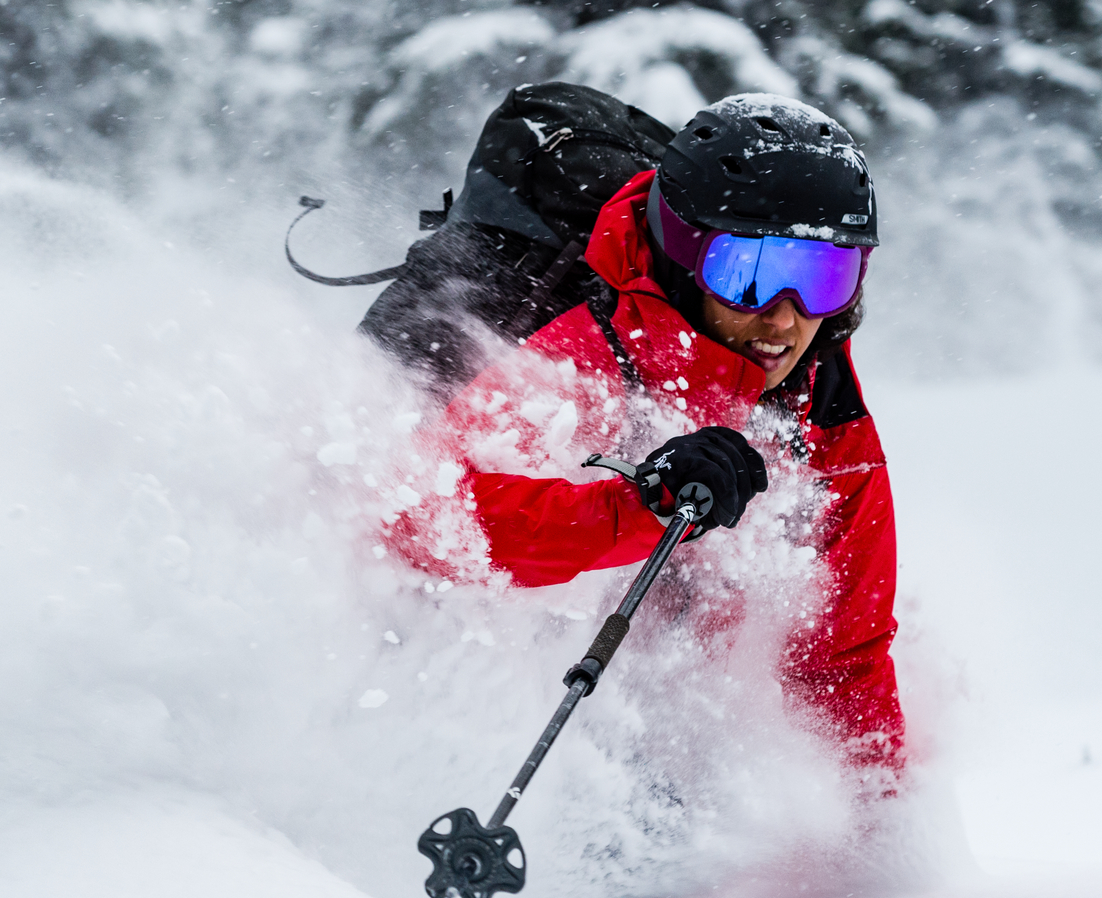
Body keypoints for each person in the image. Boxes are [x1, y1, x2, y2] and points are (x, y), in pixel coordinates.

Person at [384, 93, 903, 777]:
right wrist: (637, 508)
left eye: (823, 275)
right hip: (458, 655)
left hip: (664, 696)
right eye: (746, 274)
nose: (785, 318)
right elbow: (425, 519)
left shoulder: (817, 395)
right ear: (687, 259)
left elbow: (844, 651)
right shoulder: (581, 348)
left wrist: (884, 832)